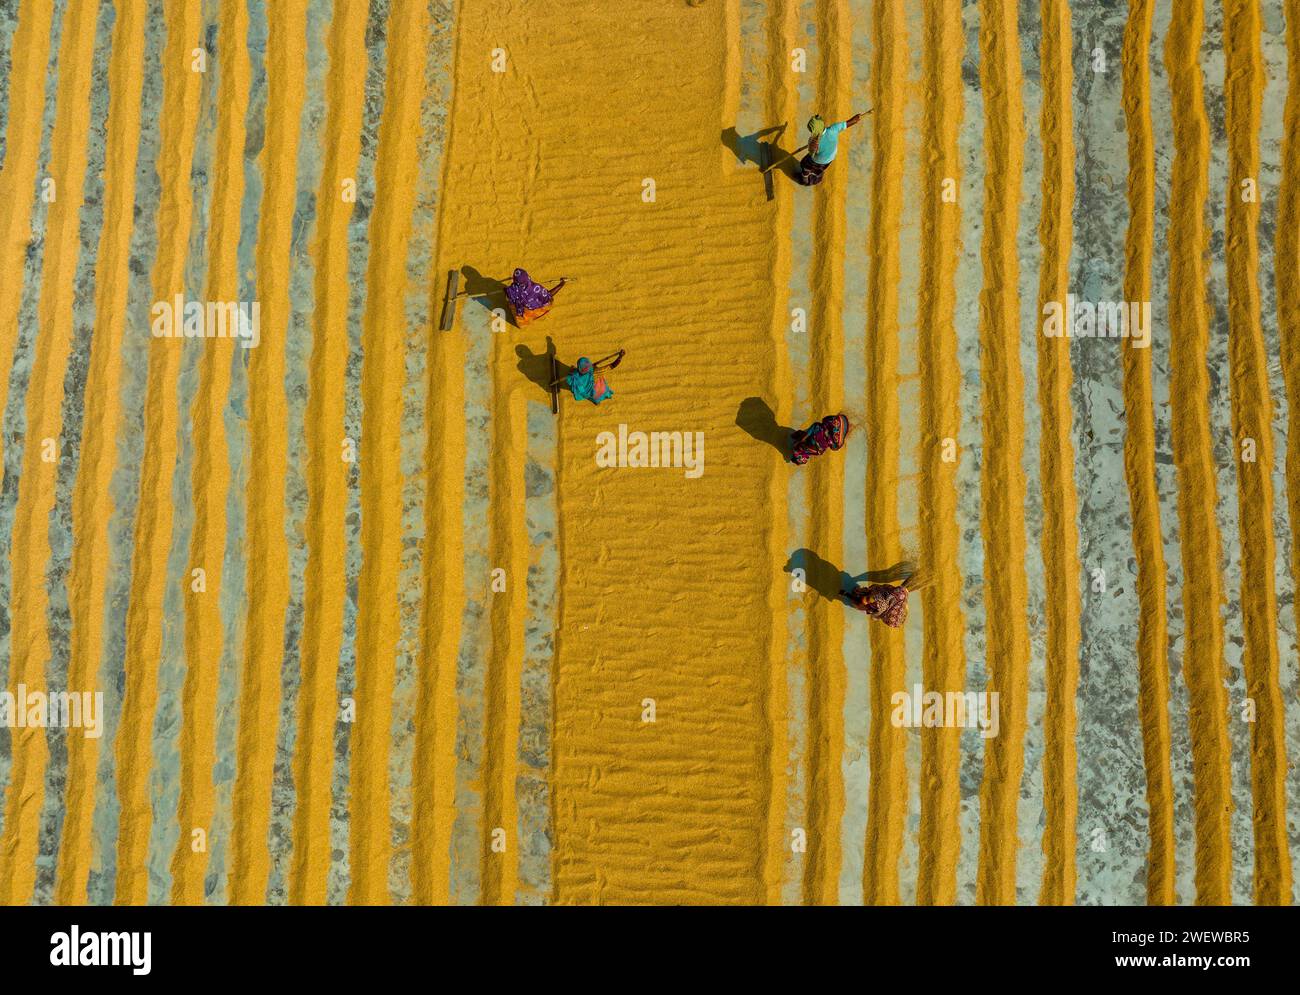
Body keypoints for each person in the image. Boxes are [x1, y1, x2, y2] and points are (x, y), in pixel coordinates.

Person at [797, 111, 865, 186]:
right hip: (830, 158)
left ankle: (805, 179)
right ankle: (817, 178)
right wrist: (856, 118)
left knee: (807, 167)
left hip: (817, 160)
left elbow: (812, 154)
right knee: (819, 170)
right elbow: (849, 122)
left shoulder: (813, 141)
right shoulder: (834, 128)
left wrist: (811, 146)